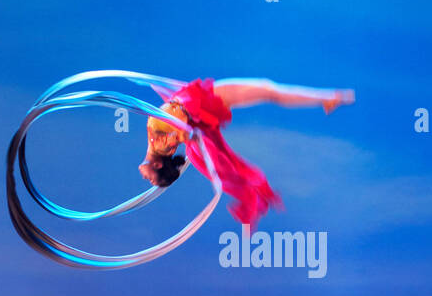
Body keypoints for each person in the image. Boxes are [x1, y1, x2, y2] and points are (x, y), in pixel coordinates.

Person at [140, 77, 356, 229]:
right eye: (151, 179)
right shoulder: (161, 143)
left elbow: (180, 127)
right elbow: (182, 125)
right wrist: (182, 134)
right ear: (158, 166)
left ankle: (326, 98)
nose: (145, 178)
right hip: (204, 102)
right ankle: (327, 98)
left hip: (199, 104)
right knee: (269, 91)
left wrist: (183, 133)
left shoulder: (158, 143)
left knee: (270, 91)